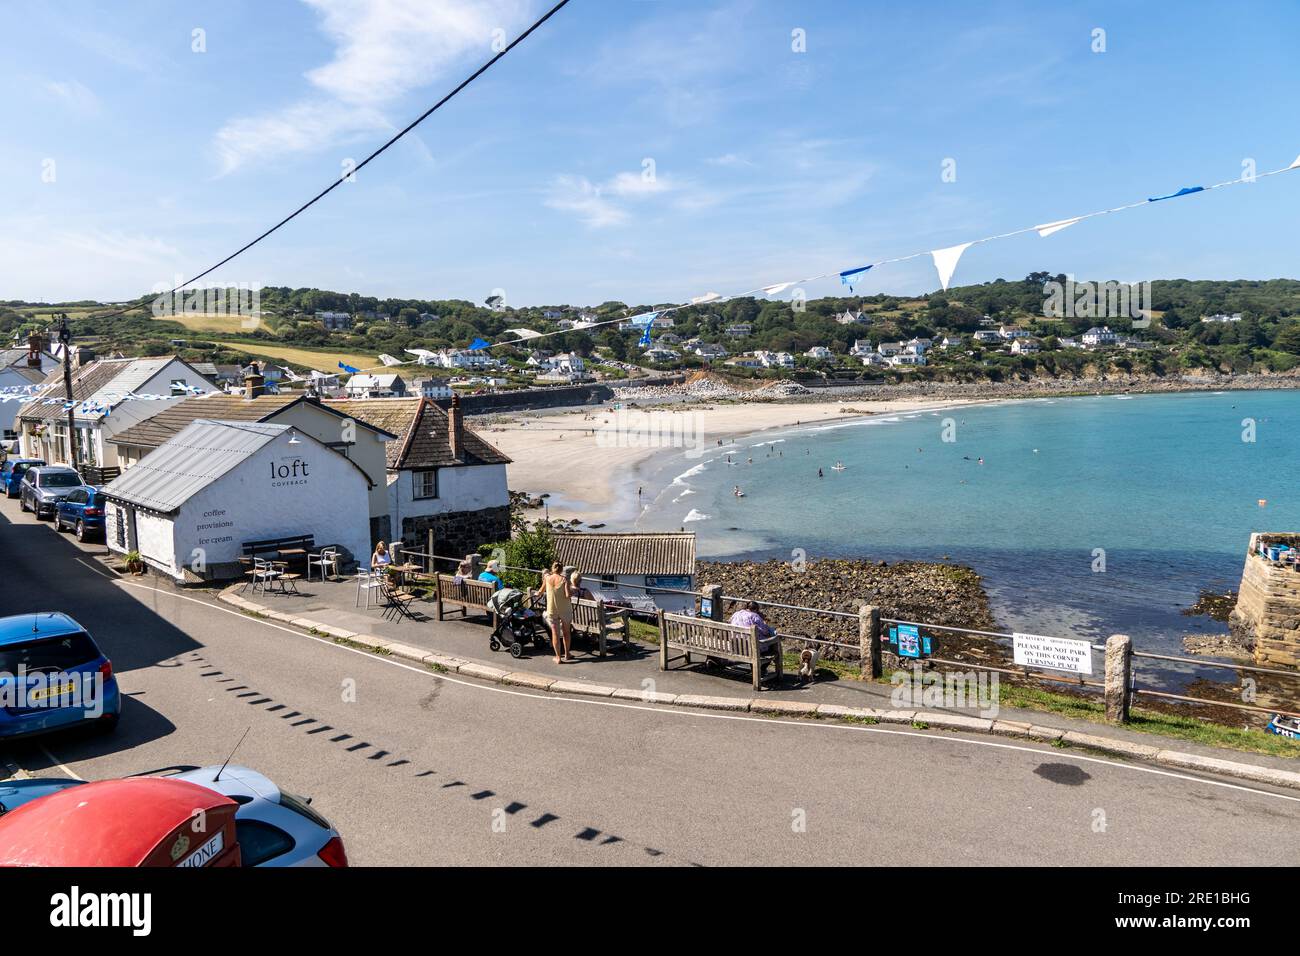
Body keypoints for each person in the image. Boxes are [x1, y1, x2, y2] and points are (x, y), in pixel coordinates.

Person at [542, 561, 574, 664]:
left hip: (552, 609)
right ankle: (567, 654)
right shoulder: (564, 579)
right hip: (565, 609)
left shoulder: (547, 578)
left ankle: (558, 657)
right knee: (566, 632)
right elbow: (568, 595)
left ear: (552, 568)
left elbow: (541, 589)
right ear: (561, 570)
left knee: (555, 633)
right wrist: (571, 588)